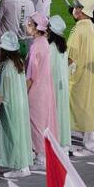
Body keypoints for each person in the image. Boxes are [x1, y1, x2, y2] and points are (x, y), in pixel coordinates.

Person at [67, 0, 94, 155]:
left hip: (79, 74)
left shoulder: (78, 28)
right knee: (90, 106)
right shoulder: (93, 27)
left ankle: (89, 146)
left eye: (77, 7)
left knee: (81, 107)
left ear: (81, 10)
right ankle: (91, 143)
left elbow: (71, 54)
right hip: (90, 73)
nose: (74, 9)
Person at [0, 31, 32, 177]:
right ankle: (23, 164)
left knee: (13, 134)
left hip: (11, 105)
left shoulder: (7, 66)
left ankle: (19, 166)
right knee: (21, 133)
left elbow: (3, 90)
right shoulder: (19, 64)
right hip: (21, 103)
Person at [26, 12, 57, 165]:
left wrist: (24, 92)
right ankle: (43, 154)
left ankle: (41, 156)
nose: (28, 26)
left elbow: (31, 74)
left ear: (38, 28)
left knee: (36, 123)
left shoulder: (36, 46)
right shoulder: (44, 43)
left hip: (36, 90)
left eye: (30, 24)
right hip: (45, 88)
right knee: (44, 122)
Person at [48, 14, 72, 150]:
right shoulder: (62, 46)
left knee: (55, 114)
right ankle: (63, 145)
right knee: (62, 114)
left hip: (54, 85)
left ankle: (56, 145)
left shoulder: (50, 48)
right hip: (62, 85)